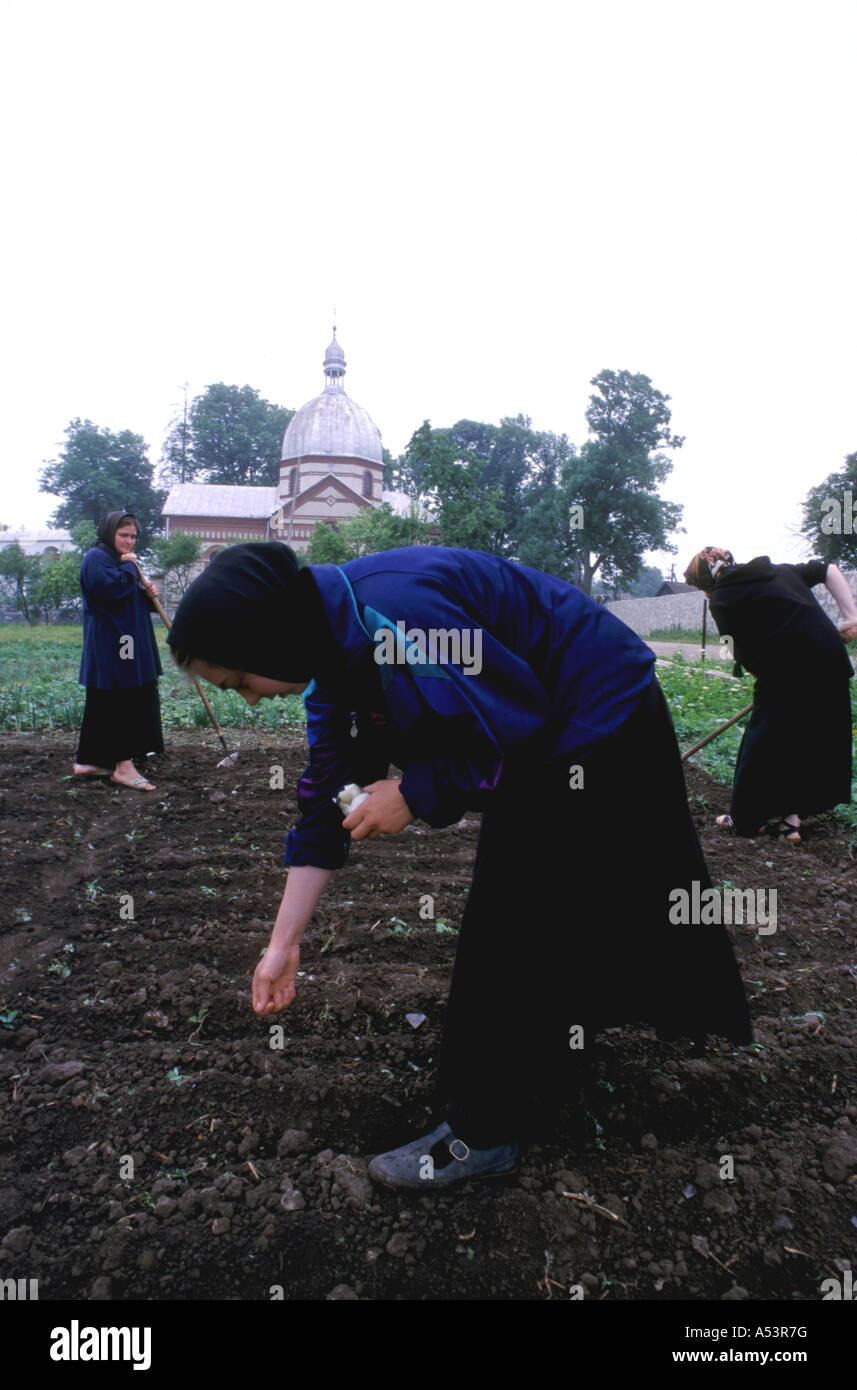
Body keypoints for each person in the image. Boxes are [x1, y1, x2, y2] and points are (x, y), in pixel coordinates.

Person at [168, 542, 752, 1190]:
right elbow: (322, 808)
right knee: (561, 891)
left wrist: (414, 794)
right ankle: (561, 1047)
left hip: (595, 712)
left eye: (240, 682)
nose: (248, 700)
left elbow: (518, 726)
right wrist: (282, 944)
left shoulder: (397, 611)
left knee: (515, 909)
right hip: (549, 725)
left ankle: (484, 1132)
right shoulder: (327, 662)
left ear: (267, 638)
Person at [684, 546, 857, 841]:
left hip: (786, 672)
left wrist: (765, 681)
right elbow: (826, 568)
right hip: (832, 662)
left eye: (703, 588)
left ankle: (746, 818)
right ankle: (791, 821)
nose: (705, 595)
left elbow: (736, 648)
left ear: (709, 582)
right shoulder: (780, 570)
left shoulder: (722, 600)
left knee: (761, 745)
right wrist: (851, 617)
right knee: (811, 738)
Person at [73, 511, 164, 792]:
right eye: (123, 535)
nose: (128, 542)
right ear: (110, 533)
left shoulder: (119, 561)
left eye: (133, 537)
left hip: (128, 641)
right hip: (116, 644)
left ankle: (90, 761)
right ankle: (123, 767)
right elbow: (108, 591)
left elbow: (127, 597)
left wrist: (147, 594)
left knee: (108, 699)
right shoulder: (96, 558)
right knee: (122, 697)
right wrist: (129, 568)